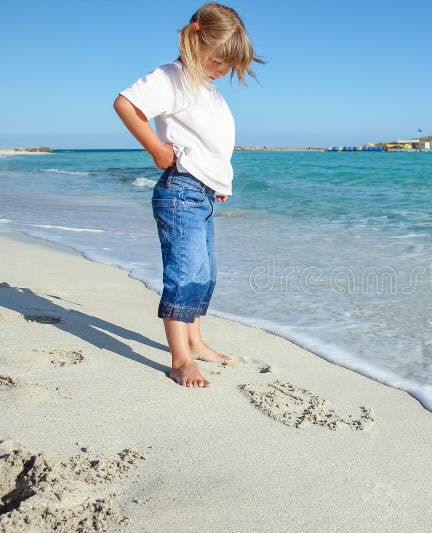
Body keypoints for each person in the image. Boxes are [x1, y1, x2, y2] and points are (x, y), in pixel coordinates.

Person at [114, 2, 263, 387]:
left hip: (203, 193)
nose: (223, 70)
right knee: (185, 274)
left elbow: (209, 142)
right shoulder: (172, 77)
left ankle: (195, 342)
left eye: (229, 64)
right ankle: (180, 359)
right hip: (180, 192)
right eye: (218, 60)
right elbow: (126, 105)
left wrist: (219, 182)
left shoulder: (207, 89)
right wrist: (156, 150)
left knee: (204, 274)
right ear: (196, 41)